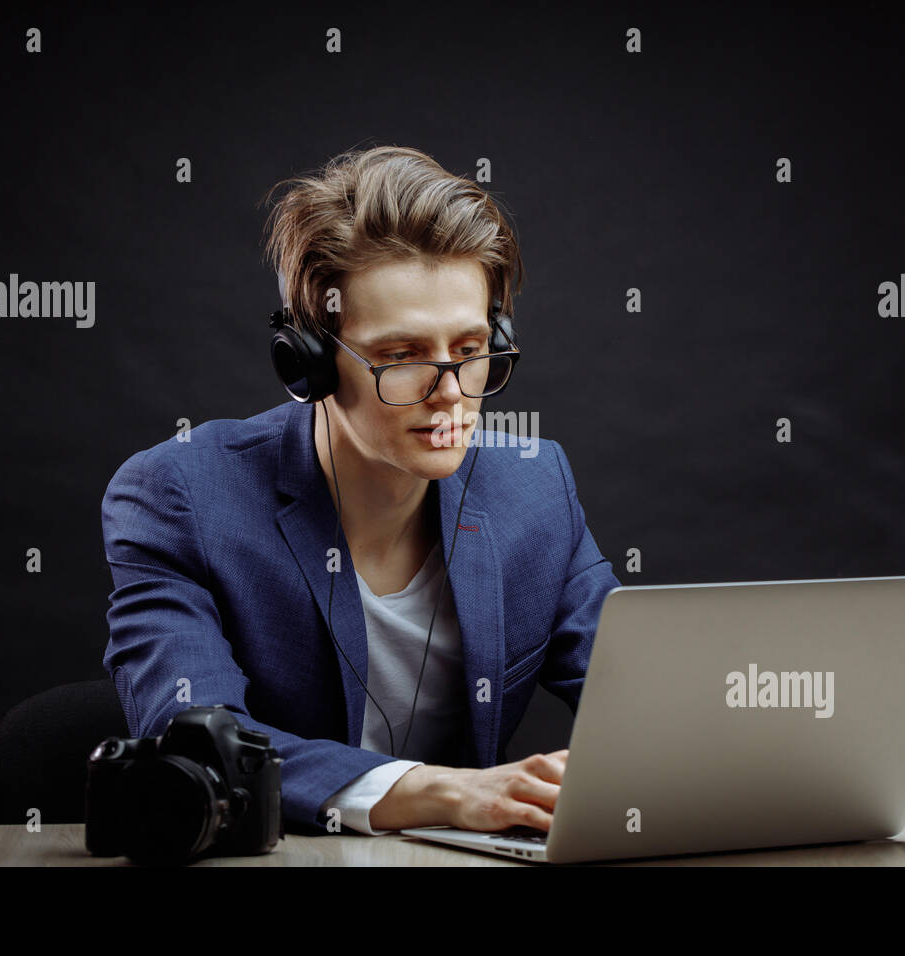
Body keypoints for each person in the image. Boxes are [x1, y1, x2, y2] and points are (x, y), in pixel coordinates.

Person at [101, 145, 620, 836]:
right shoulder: (180, 497)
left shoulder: (535, 486)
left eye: (470, 351)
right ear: (308, 362)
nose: (450, 397)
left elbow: (647, 702)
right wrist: (443, 794)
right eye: (401, 357)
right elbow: (196, 742)